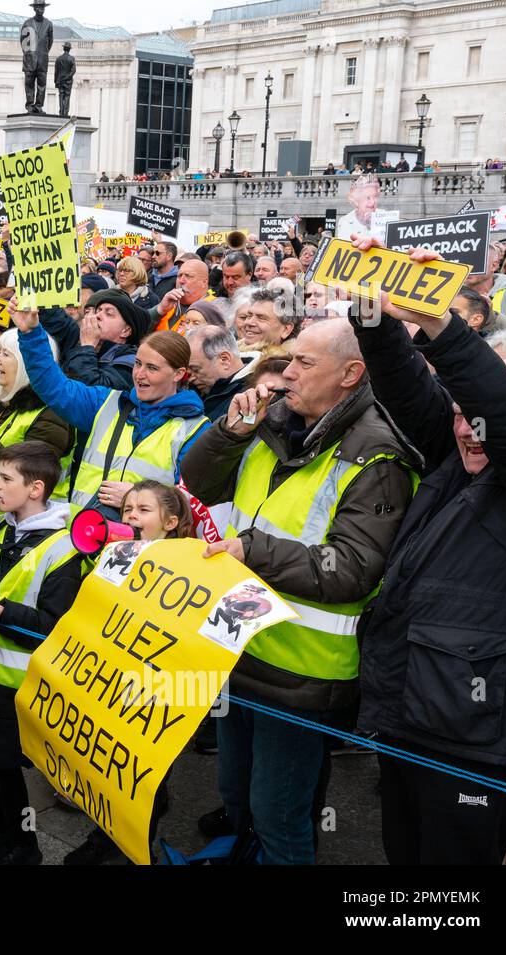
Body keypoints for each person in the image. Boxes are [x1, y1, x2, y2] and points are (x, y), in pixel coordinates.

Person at [181, 319, 419, 865]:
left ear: (350, 375)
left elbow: (352, 569)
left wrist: (253, 549)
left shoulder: (378, 456)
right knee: (237, 794)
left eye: (304, 364)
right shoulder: (273, 423)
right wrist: (231, 432)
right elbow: (198, 483)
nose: (286, 374)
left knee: (280, 812)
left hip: (303, 671)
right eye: (289, 360)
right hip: (238, 645)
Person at [348, 240, 506, 865]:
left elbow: (503, 415)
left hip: (477, 726)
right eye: (456, 410)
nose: (464, 424)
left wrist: (441, 327)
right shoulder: (456, 453)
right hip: (411, 707)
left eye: (475, 412)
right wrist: (377, 315)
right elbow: (405, 389)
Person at [0, 441, 82, 865]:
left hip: (14, 683)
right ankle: (2, 832)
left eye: (5, 478)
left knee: (2, 770)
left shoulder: (64, 550)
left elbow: (55, 629)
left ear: (35, 488)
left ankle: (23, 845)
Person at [63, 478, 193, 864]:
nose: (132, 517)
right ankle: (106, 829)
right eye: (127, 511)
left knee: (143, 771)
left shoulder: (186, 563)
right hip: (115, 675)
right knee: (109, 763)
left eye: (143, 511)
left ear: (170, 522)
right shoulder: (116, 552)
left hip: (159, 685)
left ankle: (131, 843)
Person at [14, 302, 207, 521]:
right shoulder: (107, 402)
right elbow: (53, 386)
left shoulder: (195, 429)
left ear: (178, 374)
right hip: (82, 536)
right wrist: (30, 333)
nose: (139, 375)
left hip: (142, 548)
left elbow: (191, 502)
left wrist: (138, 497)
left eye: (152, 368)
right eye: (138, 364)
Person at [0, 328, 72, 495]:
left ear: (25, 363)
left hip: (31, 518)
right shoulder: (1, 404)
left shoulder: (52, 414)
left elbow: (26, 480)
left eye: (6, 354)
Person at [185, 325, 259, 420]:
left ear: (225, 359)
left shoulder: (252, 394)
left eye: (195, 369)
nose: (190, 378)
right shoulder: (194, 390)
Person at [154, 259, 211, 333]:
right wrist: (160, 309)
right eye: (179, 276)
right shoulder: (168, 302)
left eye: (188, 276)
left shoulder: (215, 307)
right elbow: (141, 331)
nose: (181, 281)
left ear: (204, 282)